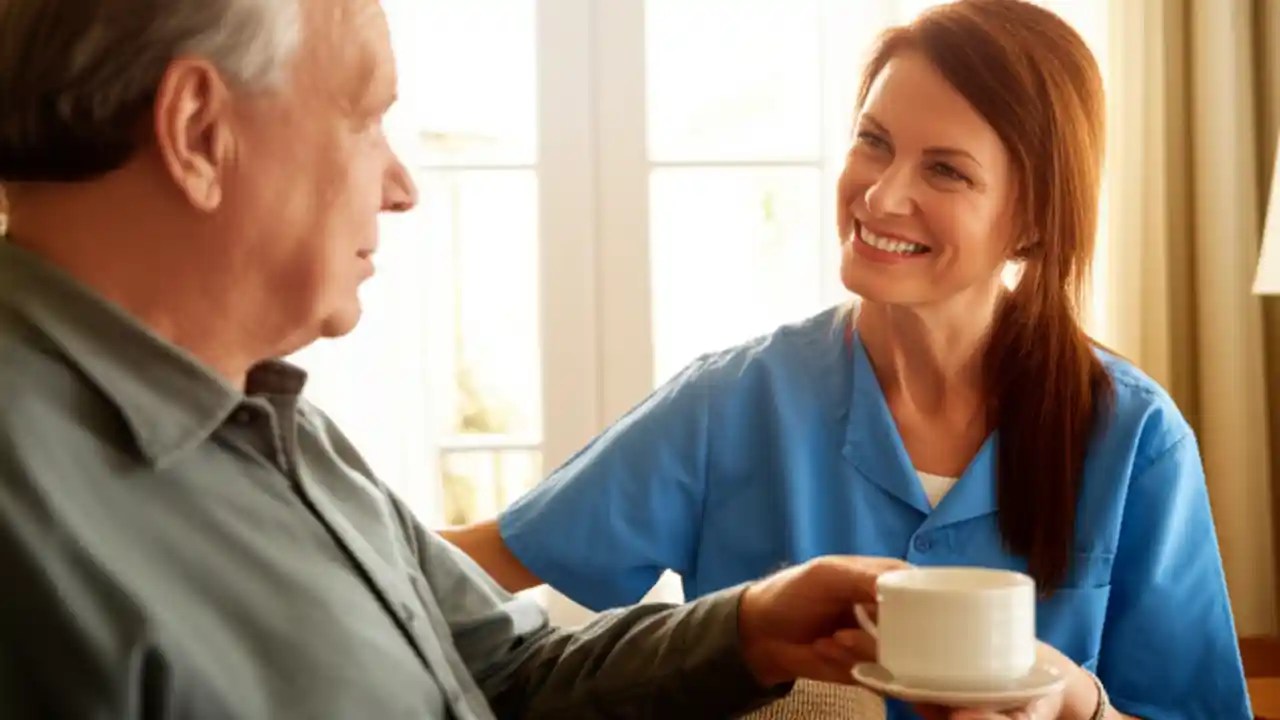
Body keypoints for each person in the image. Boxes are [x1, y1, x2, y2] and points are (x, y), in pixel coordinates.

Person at [0, 0, 913, 717]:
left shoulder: (289, 434)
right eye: (365, 120)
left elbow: (508, 678)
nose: (399, 186)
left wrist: (750, 631)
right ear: (201, 132)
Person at [440, 1, 1253, 718]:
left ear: (1034, 218)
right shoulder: (735, 402)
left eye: (945, 169)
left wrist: (1073, 702)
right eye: (874, 141)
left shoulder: (1134, 437)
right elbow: (465, 569)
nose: (881, 194)